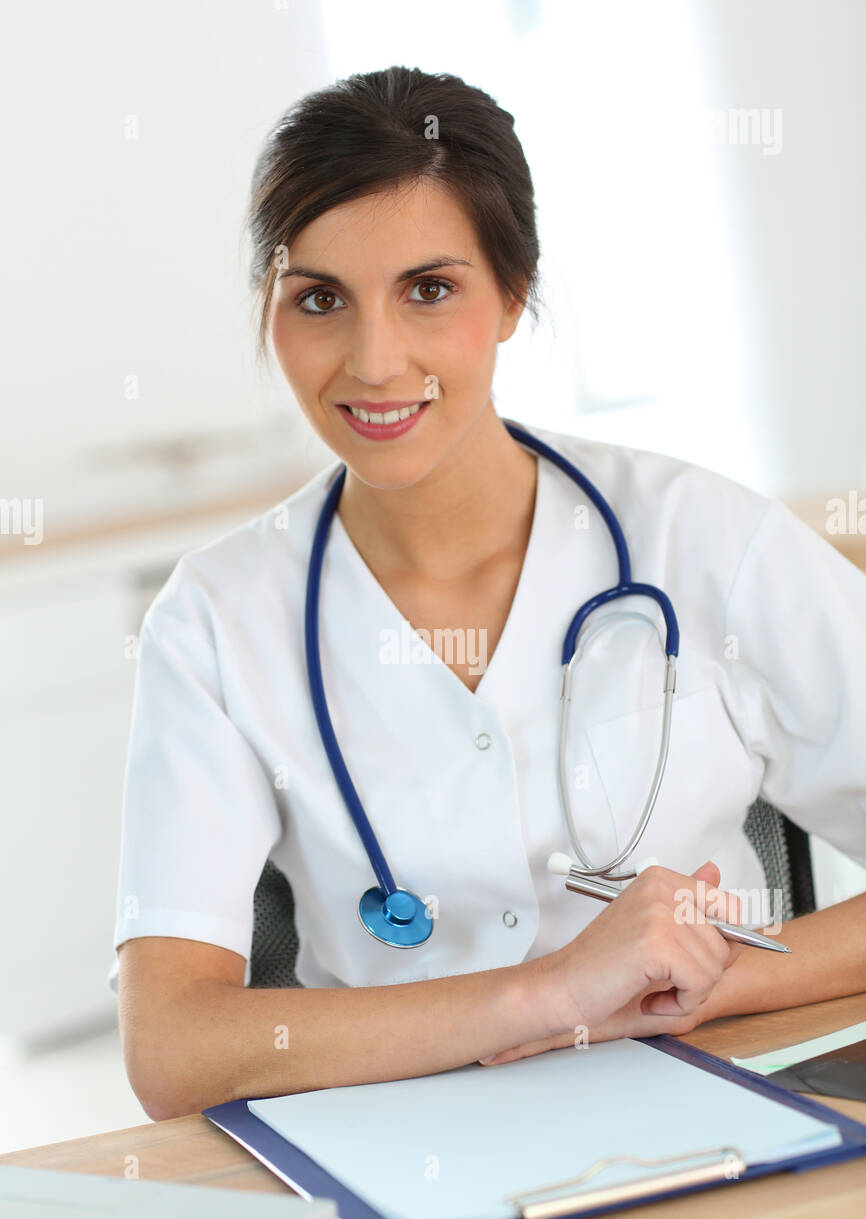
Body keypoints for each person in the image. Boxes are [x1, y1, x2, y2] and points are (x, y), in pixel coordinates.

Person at [112, 66, 866, 1120]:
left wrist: (696, 981)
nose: (375, 361)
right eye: (319, 299)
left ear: (513, 295)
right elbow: (171, 1044)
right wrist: (549, 994)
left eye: (429, 289)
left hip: (715, 1105)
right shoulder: (214, 622)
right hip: (392, 1142)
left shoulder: (702, 540)